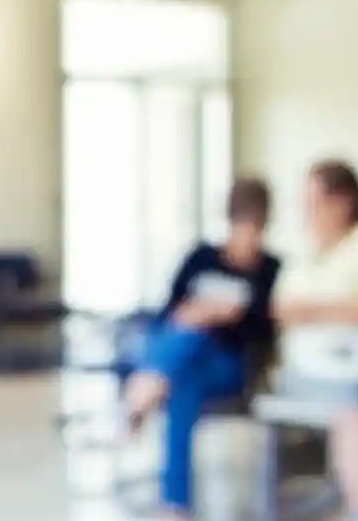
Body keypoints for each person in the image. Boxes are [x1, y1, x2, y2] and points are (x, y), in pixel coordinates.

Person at [124, 177, 281, 519]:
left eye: (255, 226)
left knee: (188, 344)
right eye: (242, 225)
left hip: (231, 362)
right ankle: (176, 506)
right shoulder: (201, 258)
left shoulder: (270, 270)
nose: (248, 235)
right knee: (184, 372)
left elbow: (266, 332)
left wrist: (225, 316)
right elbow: (169, 313)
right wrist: (196, 313)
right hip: (188, 361)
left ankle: (142, 390)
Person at [272, 160, 358, 521]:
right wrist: (345, 308)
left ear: (343, 202)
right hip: (303, 371)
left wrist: (316, 312)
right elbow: (283, 310)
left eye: (314, 203)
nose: (307, 214)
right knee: (351, 405)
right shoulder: (304, 255)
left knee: (356, 409)